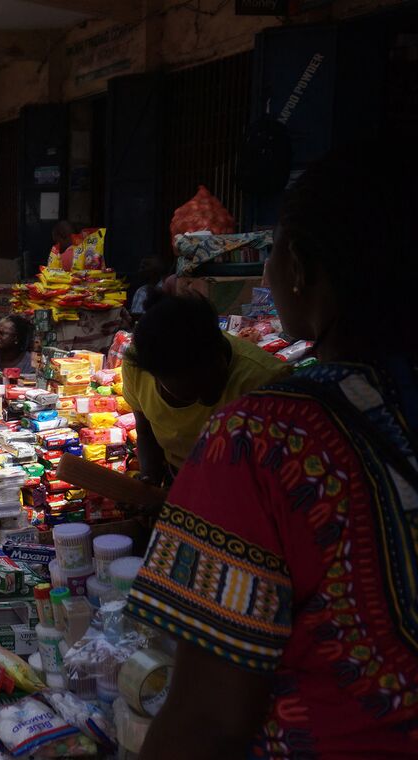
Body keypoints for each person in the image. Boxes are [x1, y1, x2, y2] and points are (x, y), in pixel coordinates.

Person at [128, 144, 418, 757]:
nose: (263, 276)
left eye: (274, 253)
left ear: (303, 269)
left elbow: (207, 718)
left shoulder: (263, 436)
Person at [122, 293, 289, 487]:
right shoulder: (138, 366)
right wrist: (149, 481)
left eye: (210, 383)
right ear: (156, 377)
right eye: (191, 394)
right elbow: (145, 432)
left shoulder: (266, 382)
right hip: (180, 477)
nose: (206, 401)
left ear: (219, 356)